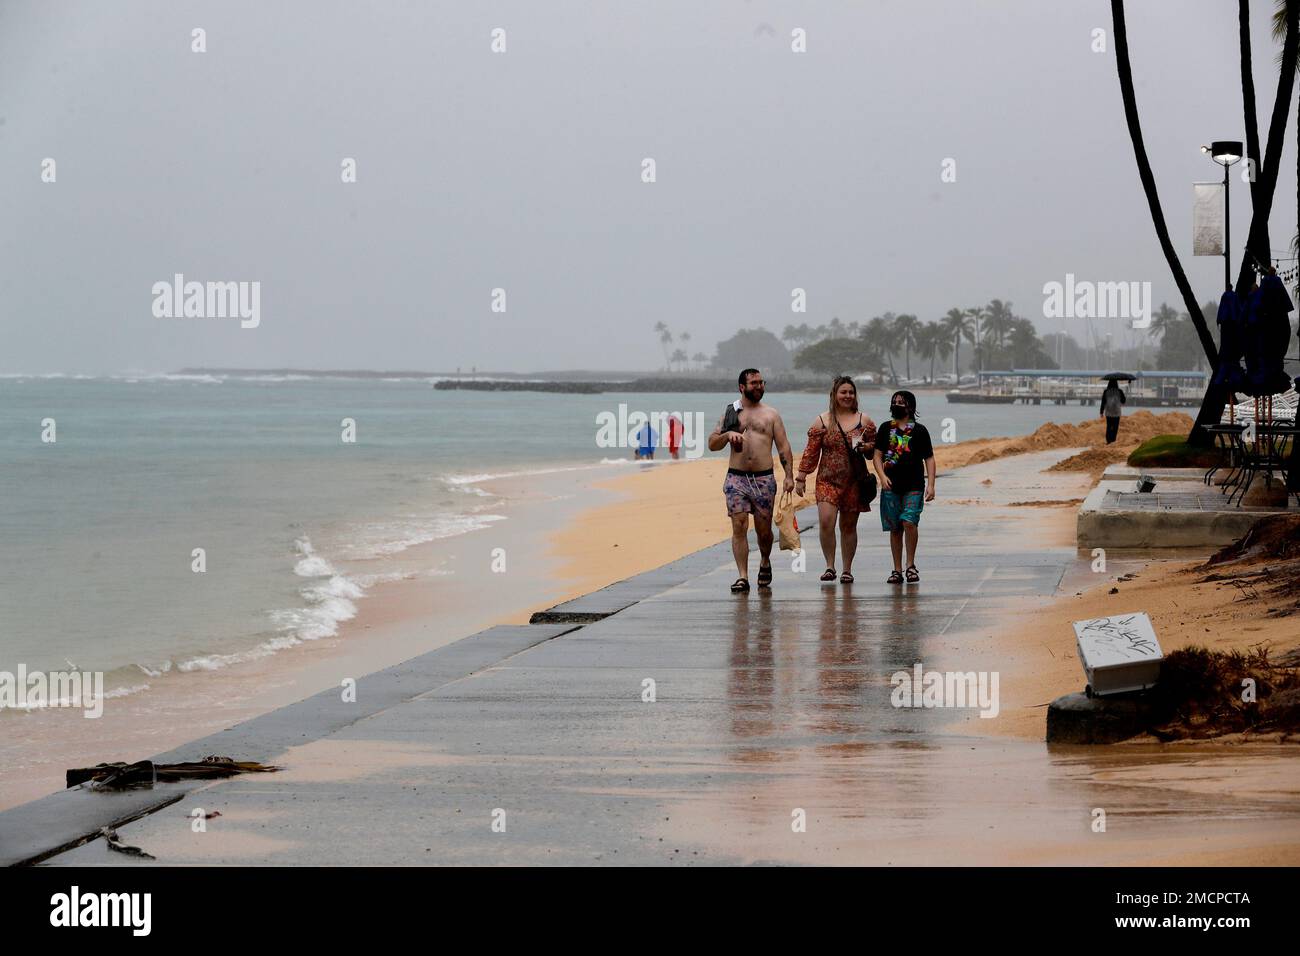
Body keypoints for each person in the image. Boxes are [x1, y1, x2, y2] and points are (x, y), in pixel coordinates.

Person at [708, 368, 795, 593]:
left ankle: (765, 560)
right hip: (736, 478)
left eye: (761, 382)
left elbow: (783, 446)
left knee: (763, 531)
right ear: (741, 387)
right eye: (753, 383)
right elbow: (713, 443)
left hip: (763, 479)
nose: (759, 386)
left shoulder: (771, 415)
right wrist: (728, 435)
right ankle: (742, 576)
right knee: (739, 525)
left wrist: (788, 476)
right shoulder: (732, 412)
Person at [794, 375, 877, 584]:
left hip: (854, 481)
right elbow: (811, 452)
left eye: (851, 392)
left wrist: (868, 447)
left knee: (848, 526)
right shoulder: (822, 420)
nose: (847, 396)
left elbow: (874, 451)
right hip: (827, 480)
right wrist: (801, 477)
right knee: (826, 522)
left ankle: (847, 569)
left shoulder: (864, 421)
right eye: (843, 392)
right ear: (834, 395)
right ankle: (830, 565)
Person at [871, 390, 935, 584]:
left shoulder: (920, 431)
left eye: (901, 402)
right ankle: (897, 569)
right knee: (895, 528)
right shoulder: (884, 428)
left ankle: (910, 565)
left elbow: (929, 458)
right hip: (891, 486)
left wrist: (931, 484)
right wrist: (882, 477)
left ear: (911, 407)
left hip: (914, 484)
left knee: (909, 522)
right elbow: (877, 455)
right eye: (894, 401)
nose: (897, 404)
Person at [1100, 379, 1126, 444]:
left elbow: (1103, 402)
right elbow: (1123, 401)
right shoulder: (1120, 391)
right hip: (1117, 412)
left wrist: (1101, 412)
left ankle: (1108, 441)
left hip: (1108, 412)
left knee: (1109, 426)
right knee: (1115, 427)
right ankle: (1113, 440)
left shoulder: (1106, 391)